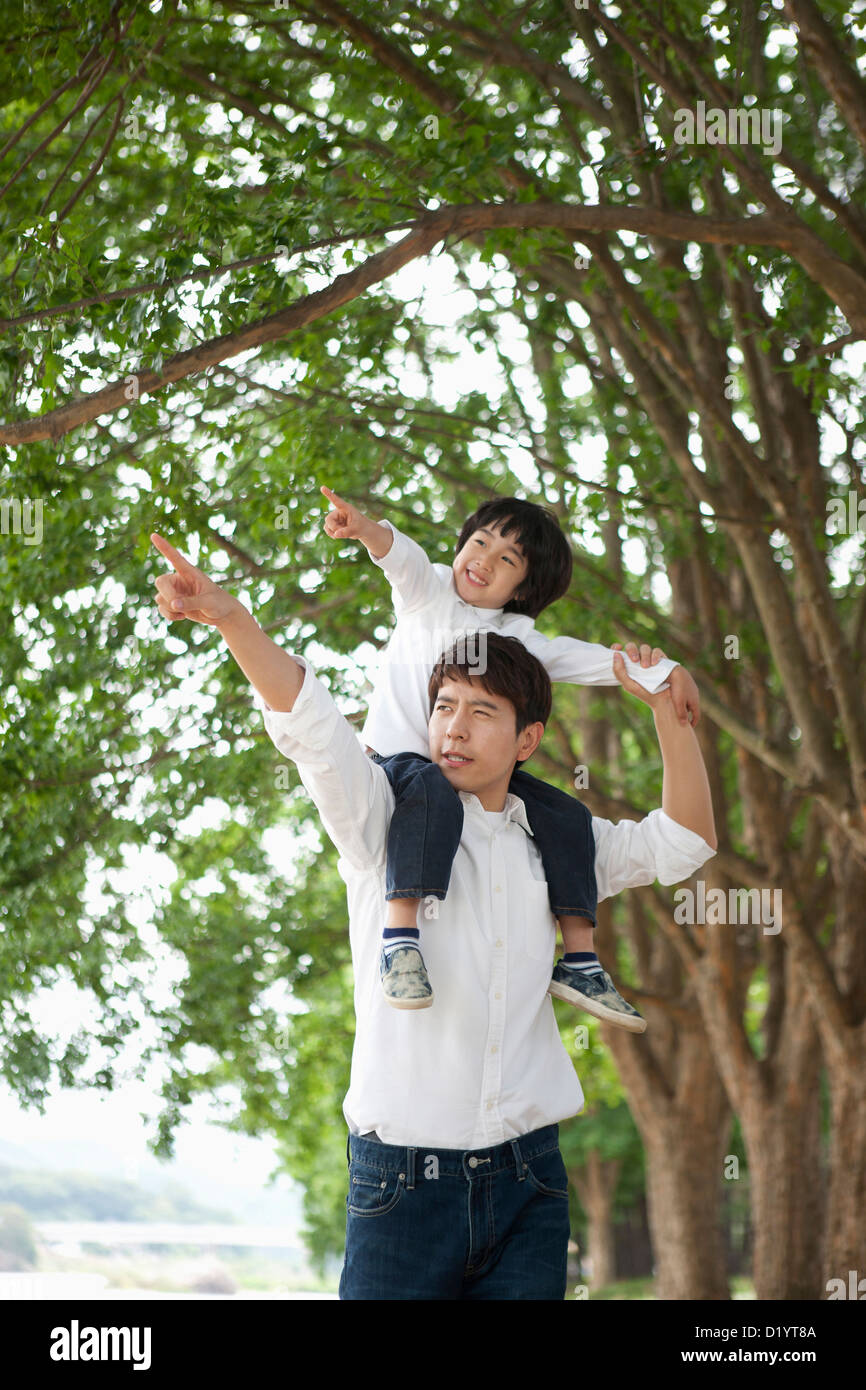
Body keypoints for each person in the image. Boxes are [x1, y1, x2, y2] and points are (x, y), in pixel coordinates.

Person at [149, 530, 717, 1300]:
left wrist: (667, 712)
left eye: (481, 711)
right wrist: (233, 621)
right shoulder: (380, 821)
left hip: (530, 1185)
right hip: (400, 1191)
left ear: (528, 740)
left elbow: (683, 841)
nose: (453, 725)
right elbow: (312, 729)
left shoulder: (558, 842)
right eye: (445, 705)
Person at [319, 486, 701, 1032]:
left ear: (523, 587)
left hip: (469, 778)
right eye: (480, 542)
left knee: (564, 816)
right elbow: (398, 557)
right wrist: (364, 528)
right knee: (427, 792)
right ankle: (400, 941)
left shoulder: (518, 639)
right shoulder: (429, 595)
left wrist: (666, 674)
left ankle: (581, 960)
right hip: (400, 768)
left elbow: (586, 658)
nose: (484, 560)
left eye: (507, 559)